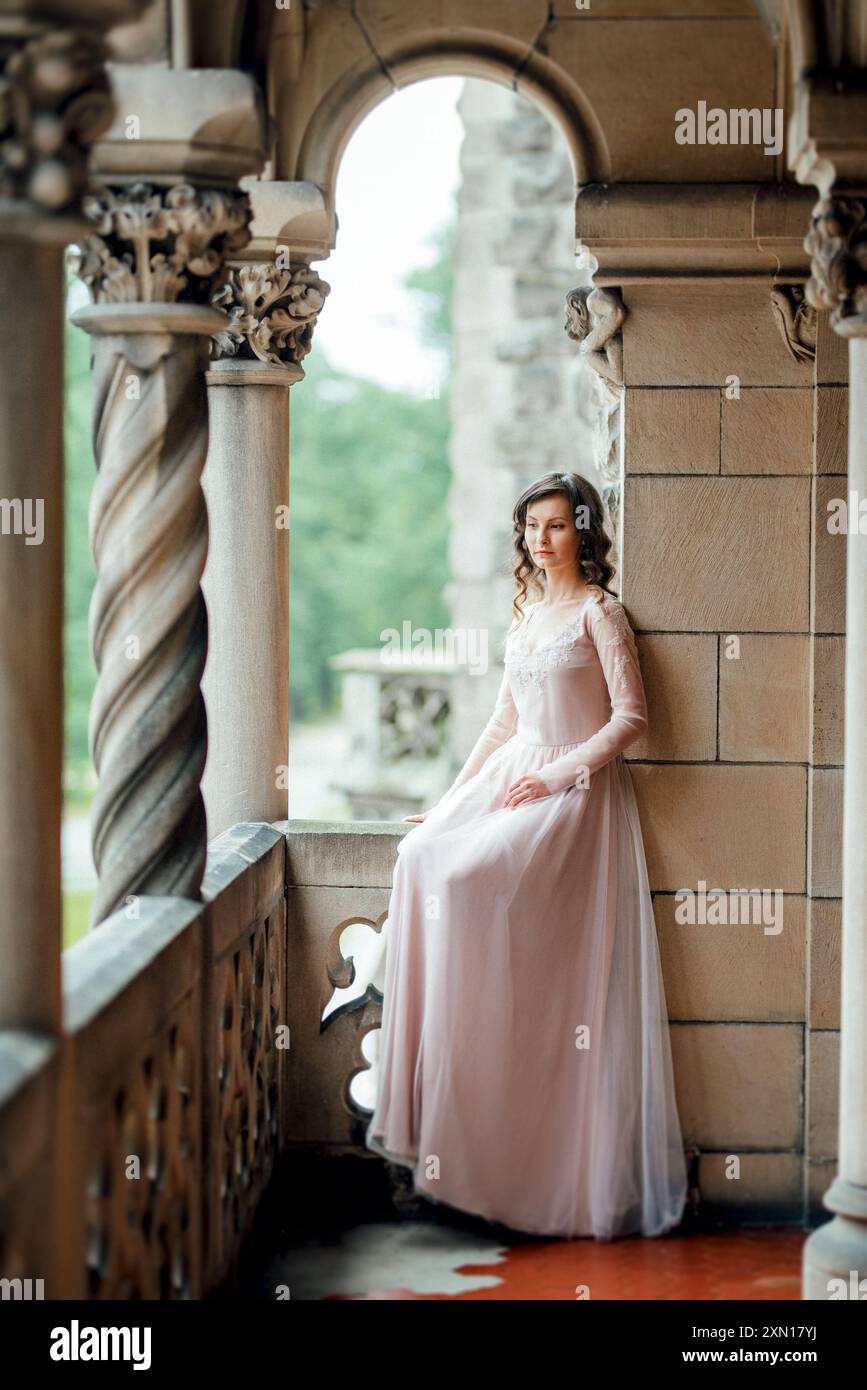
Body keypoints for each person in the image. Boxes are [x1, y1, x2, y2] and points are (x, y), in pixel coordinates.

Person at [364, 471, 688, 1240]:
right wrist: (449, 802)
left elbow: (631, 720)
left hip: (574, 792)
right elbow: (502, 723)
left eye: (553, 526)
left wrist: (559, 772)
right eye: (529, 528)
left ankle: (530, 1149)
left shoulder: (600, 613)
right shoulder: (527, 615)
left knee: (464, 876)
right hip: (518, 774)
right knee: (420, 855)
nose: (538, 541)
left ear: (583, 531)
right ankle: (462, 1104)